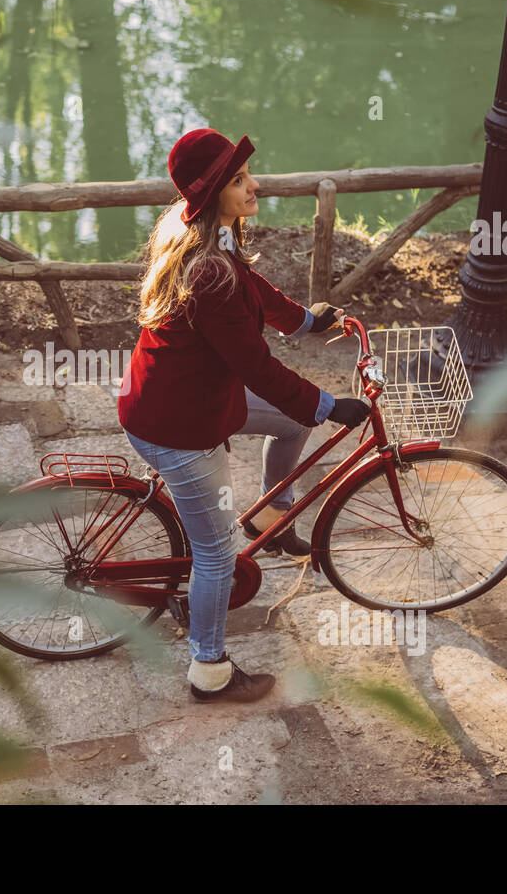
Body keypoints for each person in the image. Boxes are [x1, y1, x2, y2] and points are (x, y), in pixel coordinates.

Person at [117, 127, 370, 704]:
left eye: (247, 174)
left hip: (186, 395)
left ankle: (268, 516)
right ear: (213, 197)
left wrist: (306, 322)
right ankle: (210, 671)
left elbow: (257, 290)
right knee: (214, 554)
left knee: (290, 420)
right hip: (175, 423)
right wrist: (331, 406)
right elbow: (257, 368)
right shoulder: (209, 274)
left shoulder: (207, 236)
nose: (253, 185)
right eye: (238, 180)